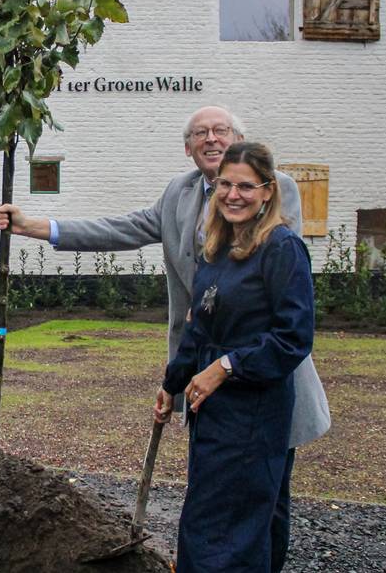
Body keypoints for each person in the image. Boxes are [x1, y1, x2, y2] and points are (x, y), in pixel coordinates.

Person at [0, 106, 329, 571]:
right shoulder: (180, 194)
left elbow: (275, 300)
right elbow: (123, 228)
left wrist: (222, 356)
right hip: (203, 374)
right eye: (199, 134)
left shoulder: (274, 201)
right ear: (188, 148)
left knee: (264, 498)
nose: (210, 139)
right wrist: (36, 227)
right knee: (213, 503)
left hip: (262, 378)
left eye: (220, 132)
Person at [154, 142, 314, 571]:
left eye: (246, 186)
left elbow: (293, 339)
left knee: (234, 529)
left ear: (267, 192)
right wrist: (172, 384)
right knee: (205, 517)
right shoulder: (217, 248)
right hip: (213, 413)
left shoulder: (282, 249)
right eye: (226, 183)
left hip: (255, 413)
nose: (233, 194)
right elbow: (200, 327)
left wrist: (226, 367)